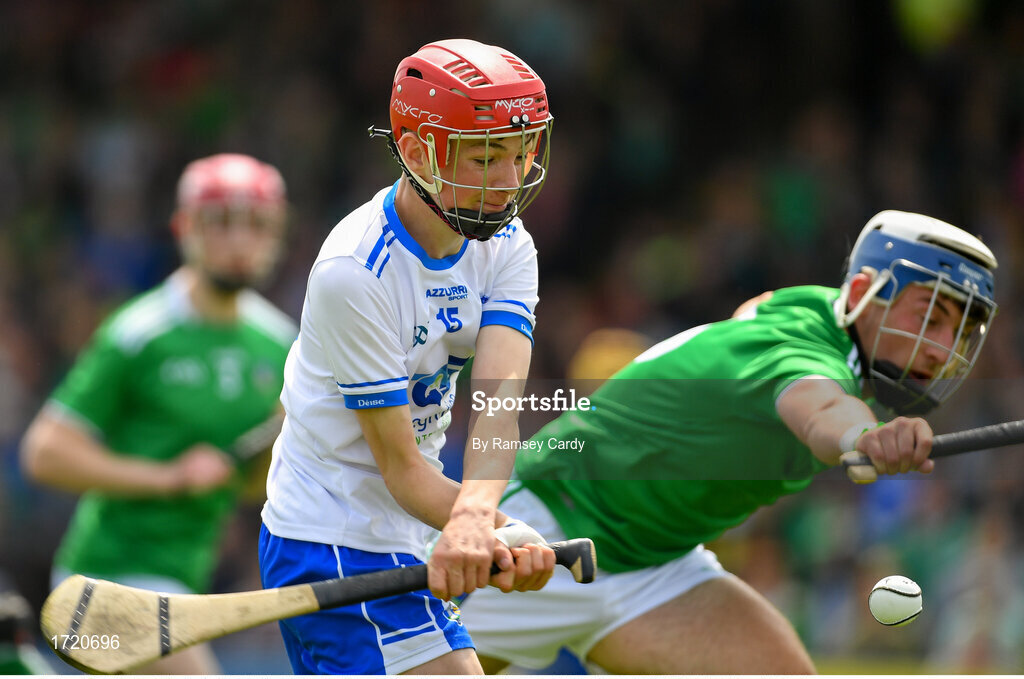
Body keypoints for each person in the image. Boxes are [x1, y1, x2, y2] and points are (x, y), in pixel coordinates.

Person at [458, 209, 998, 674]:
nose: (943, 347)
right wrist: (865, 436)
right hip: (545, 528)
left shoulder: (812, 310)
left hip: (656, 566)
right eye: (932, 313)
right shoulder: (804, 351)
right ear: (861, 293)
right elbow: (820, 406)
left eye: (961, 330)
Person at [258, 39, 557, 675]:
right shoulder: (354, 273)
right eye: (484, 157)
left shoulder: (507, 245)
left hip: (406, 529)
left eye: (519, 154)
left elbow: (498, 412)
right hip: (332, 538)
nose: (508, 182)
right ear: (420, 151)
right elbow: (399, 467)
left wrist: (490, 521)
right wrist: (489, 524)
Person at [20, 153, 295, 674]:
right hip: (102, 585)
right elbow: (45, 453)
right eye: (220, 222)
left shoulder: (280, 344)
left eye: (257, 224)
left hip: (185, 585)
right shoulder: (139, 333)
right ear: (184, 228)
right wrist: (167, 477)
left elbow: (253, 483)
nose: (240, 240)